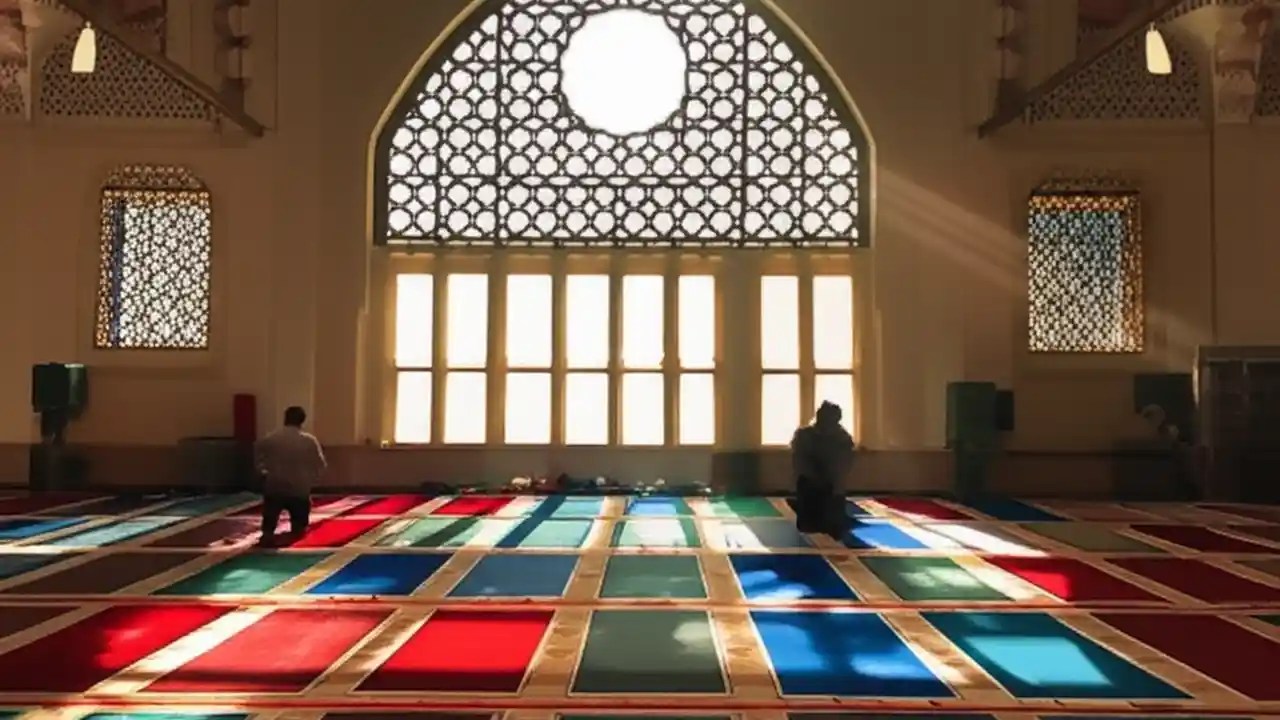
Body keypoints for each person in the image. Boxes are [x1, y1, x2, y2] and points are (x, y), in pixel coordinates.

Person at [254, 406, 326, 547]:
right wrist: (310, 481)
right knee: (299, 529)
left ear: (285, 418)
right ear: (302, 421)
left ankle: (268, 535)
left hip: (275, 486)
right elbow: (320, 465)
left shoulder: (271, 439)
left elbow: (257, 459)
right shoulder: (309, 441)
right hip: (299, 489)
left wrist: (263, 473)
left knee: (270, 518)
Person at [790, 401, 855, 538]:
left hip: (831, 485)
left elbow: (844, 463)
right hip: (810, 484)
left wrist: (834, 481)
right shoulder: (804, 435)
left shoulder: (842, 438)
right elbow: (799, 460)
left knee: (833, 527)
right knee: (809, 527)